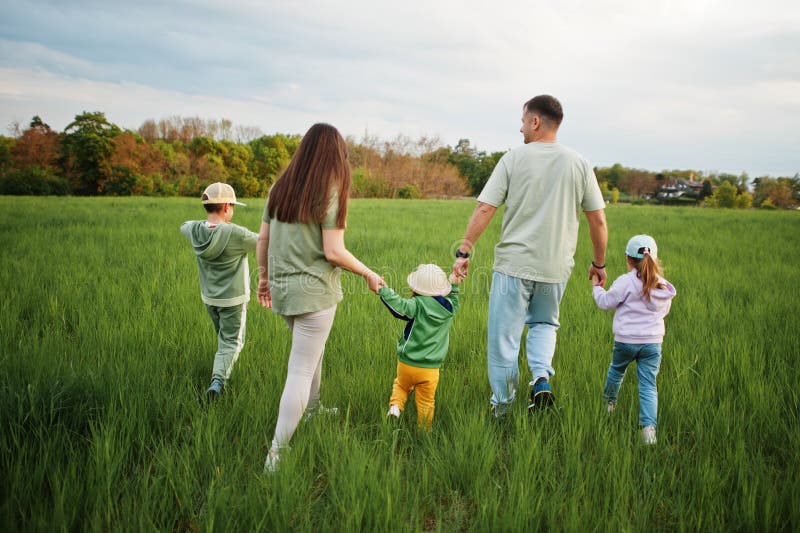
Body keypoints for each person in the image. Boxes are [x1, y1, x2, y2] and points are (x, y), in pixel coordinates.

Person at [453, 95, 608, 417]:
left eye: (523, 120)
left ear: (535, 122)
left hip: (513, 267)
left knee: (503, 339)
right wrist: (598, 263)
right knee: (544, 324)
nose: (520, 127)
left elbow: (485, 207)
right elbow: (598, 219)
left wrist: (465, 248)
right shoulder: (579, 163)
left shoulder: (513, 158)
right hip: (556, 267)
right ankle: (540, 377)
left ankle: (503, 408)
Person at [257, 123, 385, 472]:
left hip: (283, 291)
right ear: (335, 155)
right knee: (300, 368)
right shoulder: (330, 190)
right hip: (314, 293)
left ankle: (313, 410)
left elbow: (263, 240)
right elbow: (334, 251)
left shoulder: (279, 188)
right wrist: (369, 273)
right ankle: (277, 454)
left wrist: (264, 278)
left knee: (312, 353)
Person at [591, 234, 676, 445]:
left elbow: (605, 303)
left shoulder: (625, 282)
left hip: (626, 341)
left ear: (628, 258)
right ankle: (648, 430)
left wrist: (596, 286)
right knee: (648, 385)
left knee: (616, 371)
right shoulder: (662, 286)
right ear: (655, 258)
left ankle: (608, 407)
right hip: (652, 343)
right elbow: (663, 312)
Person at [180, 182, 258, 401]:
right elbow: (265, 241)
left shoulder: (194, 230)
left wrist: (207, 224)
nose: (232, 210)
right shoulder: (237, 234)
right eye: (232, 206)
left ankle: (220, 372)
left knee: (223, 339)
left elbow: (184, 226)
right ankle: (217, 384)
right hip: (233, 300)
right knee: (232, 342)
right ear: (225, 206)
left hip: (210, 299)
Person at [379, 264, 462, 428]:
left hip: (407, 364)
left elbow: (399, 307)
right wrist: (454, 282)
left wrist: (384, 290)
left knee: (401, 386)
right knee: (426, 402)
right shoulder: (449, 308)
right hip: (430, 369)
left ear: (417, 287)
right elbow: (454, 297)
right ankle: (424, 433)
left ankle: (395, 408)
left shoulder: (416, 304)